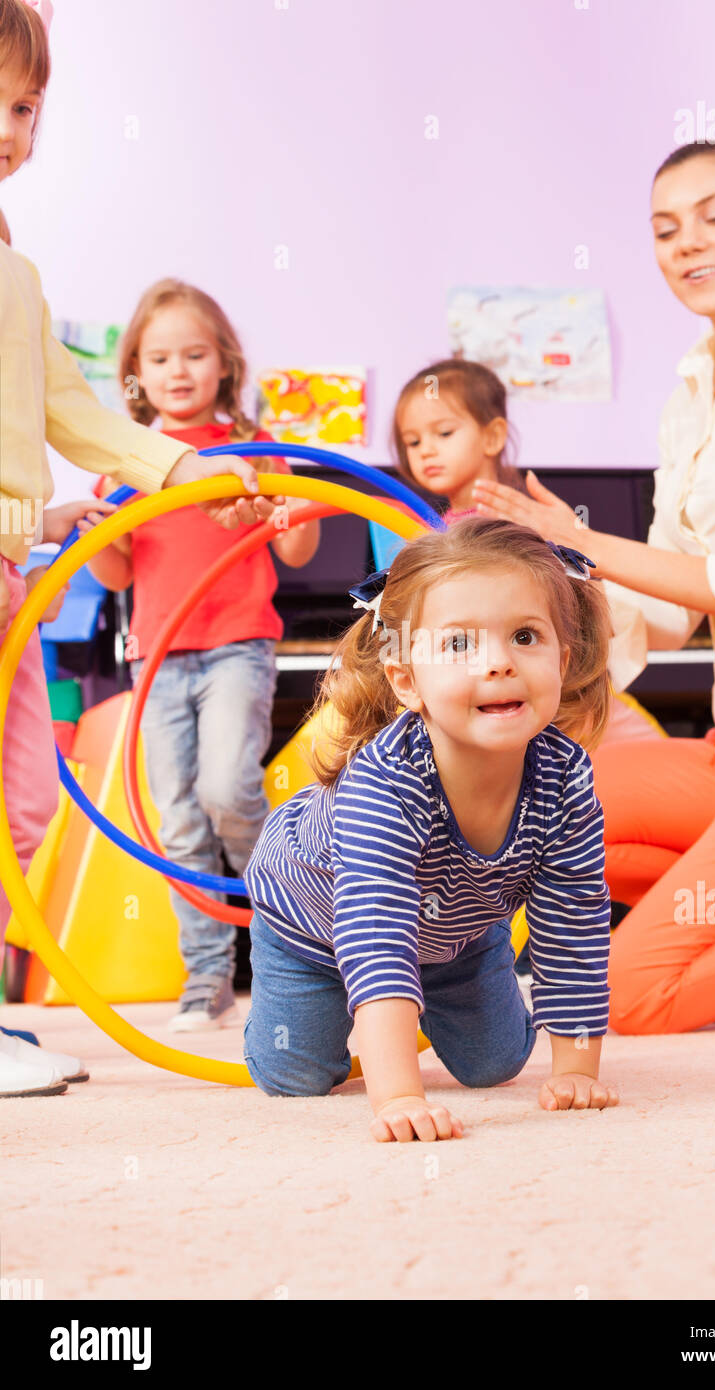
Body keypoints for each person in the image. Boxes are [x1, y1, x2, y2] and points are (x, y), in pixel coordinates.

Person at [472, 140, 715, 1032]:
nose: (689, 243)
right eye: (665, 230)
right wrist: (528, 621)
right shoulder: (692, 385)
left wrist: (580, 541)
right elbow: (669, 610)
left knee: (628, 996)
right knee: (531, 814)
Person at [0, 0, 282, 1096]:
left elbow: (75, 413)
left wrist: (184, 467)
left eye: (25, 105)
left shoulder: (19, 278)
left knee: (26, 803)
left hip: (13, 573)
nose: (12, 126)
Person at [243, 517, 619, 1141]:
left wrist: (577, 1068)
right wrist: (396, 1096)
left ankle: (446, 980)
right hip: (315, 928)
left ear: (564, 657)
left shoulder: (565, 775)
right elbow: (376, 932)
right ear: (406, 680)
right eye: (460, 644)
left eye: (525, 636)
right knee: (298, 1074)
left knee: (495, 1065)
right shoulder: (385, 786)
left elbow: (575, 917)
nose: (498, 663)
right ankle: (313, 1006)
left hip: (456, 933)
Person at [84, 280, 319, 1030]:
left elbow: (298, 550)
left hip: (235, 648)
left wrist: (291, 503)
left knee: (226, 791)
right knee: (180, 821)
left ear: (225, 364)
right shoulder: (126, 463)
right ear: (136, 375)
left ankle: (294, 938)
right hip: (154, 655)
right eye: (159, 357)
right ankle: (207, 978)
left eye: (195, 353)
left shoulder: (252, 454)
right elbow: (115, 573)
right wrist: (102, 534)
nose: (178, 370)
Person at [392, 357, 663, 744]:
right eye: (413, 441)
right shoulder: (436, 530)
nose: (426, 451)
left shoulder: (515, 524)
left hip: (535, 701)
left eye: (444, 433)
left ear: (492, 437)